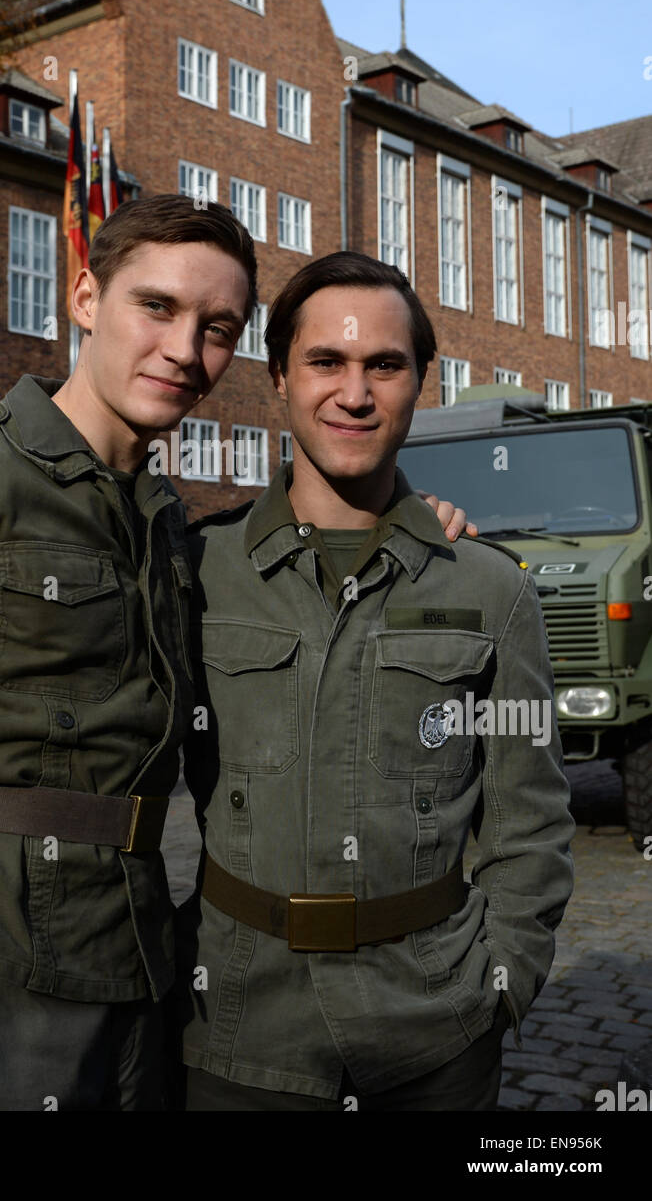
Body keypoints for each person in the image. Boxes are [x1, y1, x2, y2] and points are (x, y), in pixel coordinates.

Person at [0, 196, 472, 1112]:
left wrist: (411, 531)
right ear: (85, 297)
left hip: (140, 976)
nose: (186, 349)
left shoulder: (165, 519)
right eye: (157, 307)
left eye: (217, 327)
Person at [179, 250, 576, 1112]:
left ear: (420, 383)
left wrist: (499, 987)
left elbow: (531, 822)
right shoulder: (196, 571)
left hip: (431, 1036)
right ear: (279, 376)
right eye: (326, 361)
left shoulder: (488, 587)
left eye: (384, 365)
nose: (353, 394)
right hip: (237, 1032)